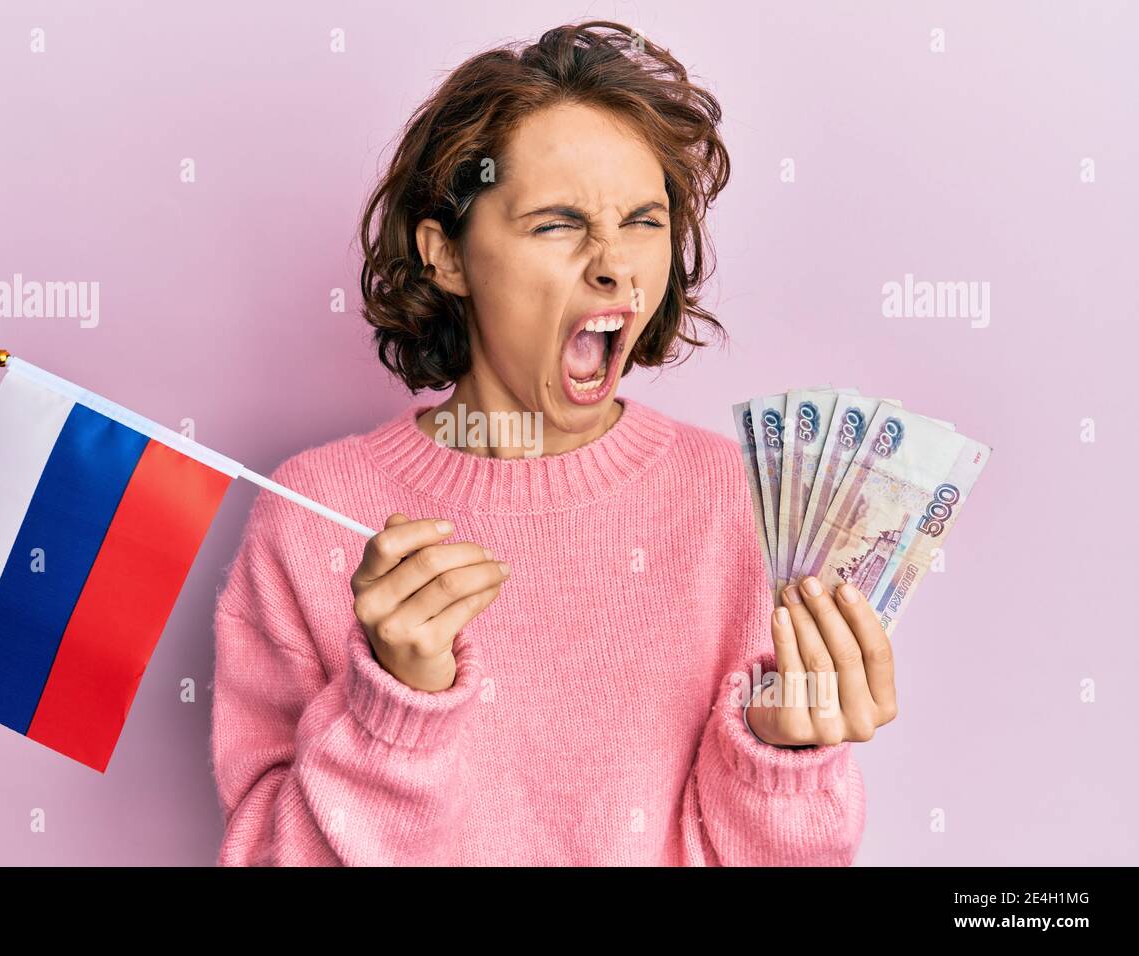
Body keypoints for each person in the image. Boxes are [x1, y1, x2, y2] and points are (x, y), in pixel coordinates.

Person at [209, 20, 895, 866]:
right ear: (446, 256)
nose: (615, 267)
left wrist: (778, 760)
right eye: (557, 224)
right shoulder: (312, 514)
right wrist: (394, 707)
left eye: (644, 220)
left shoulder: (741, 503)